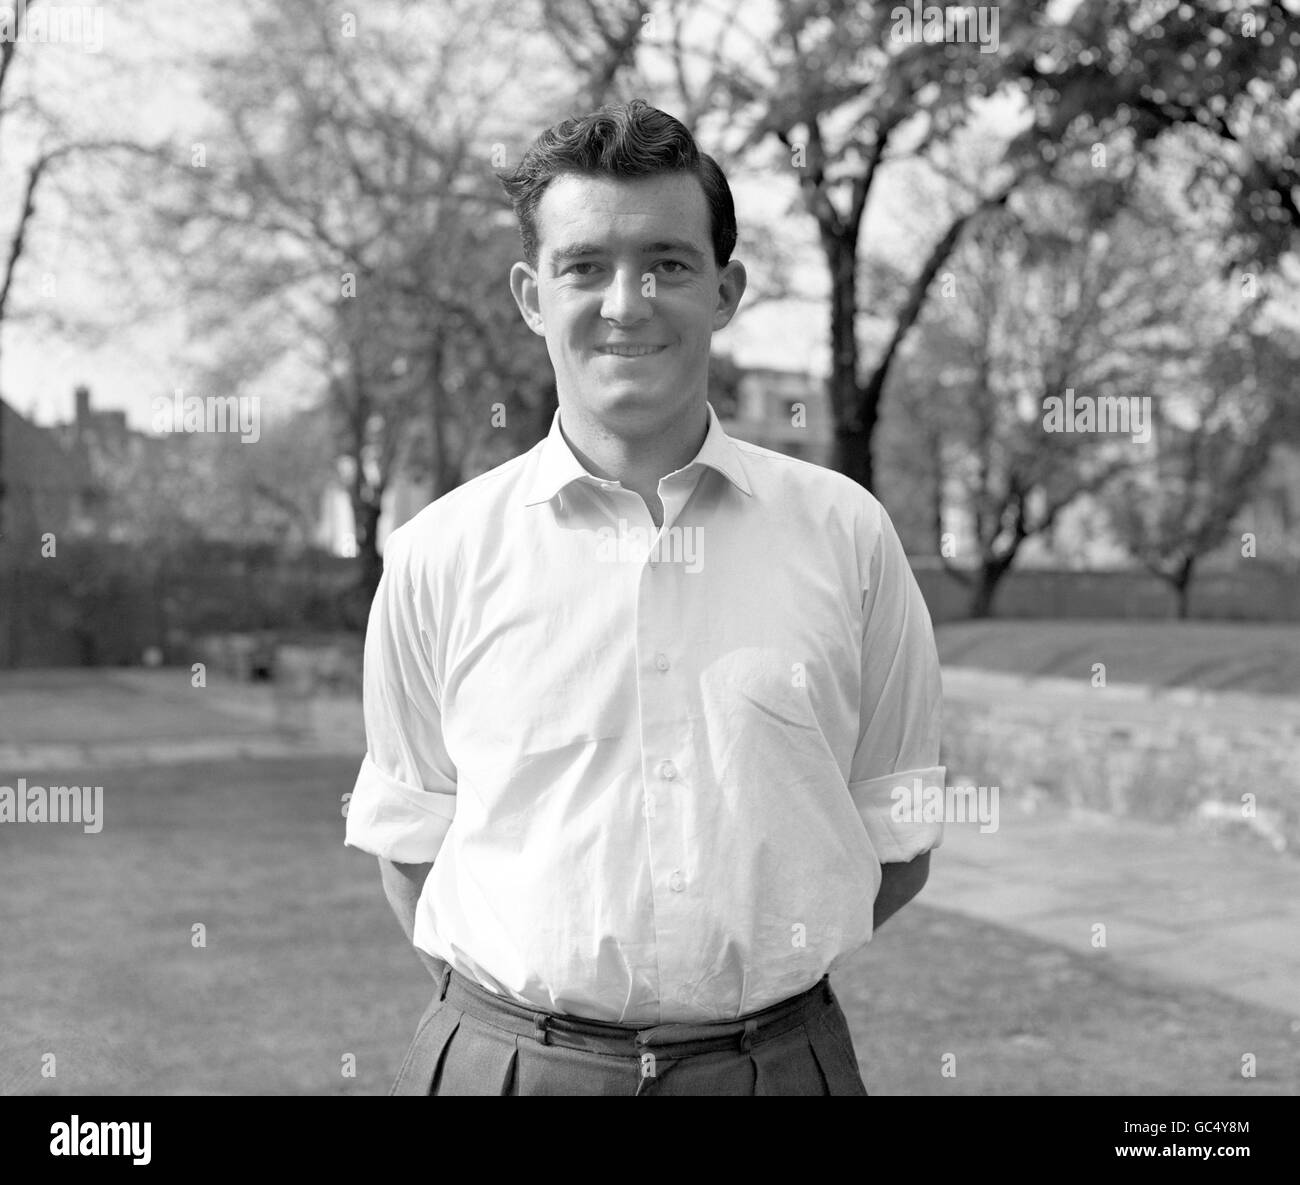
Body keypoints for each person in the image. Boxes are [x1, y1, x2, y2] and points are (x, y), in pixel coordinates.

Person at [344, 99, 945, 1096]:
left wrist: (735, 995)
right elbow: (410, 850)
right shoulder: (438, 555)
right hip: (508, 1066)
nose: (627, 303)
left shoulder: (847, 537)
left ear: (725, 289)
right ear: (533, 296)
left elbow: (895, 839)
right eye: (586, 266)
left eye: (667, 263)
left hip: (775, 1069)